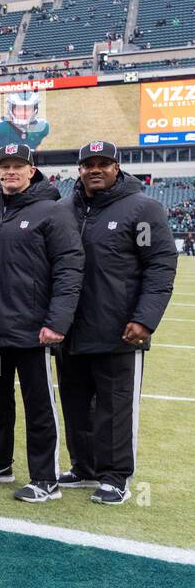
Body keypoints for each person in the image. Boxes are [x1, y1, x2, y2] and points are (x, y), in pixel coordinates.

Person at [0, 144, 83, 503]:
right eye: (5, 166)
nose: (10, 171)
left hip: (33, 332)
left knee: (39, 405)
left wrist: (57, 321)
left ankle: (46, 478)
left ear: (32, 170)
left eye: (18, 166)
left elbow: (70, 268)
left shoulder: (53, 212)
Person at [58, 141, 175, 505]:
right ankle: (85, 466)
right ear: (78, 169)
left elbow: (160, 266)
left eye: (103, 163)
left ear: (117, 167)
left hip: (118, 329)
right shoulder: (65, 209)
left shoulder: (143, 208)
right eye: (88, 164)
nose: (95, 169)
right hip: (70, 329)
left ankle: (115, 476)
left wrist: (144, 318)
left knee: (115, 406)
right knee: (75, 403)